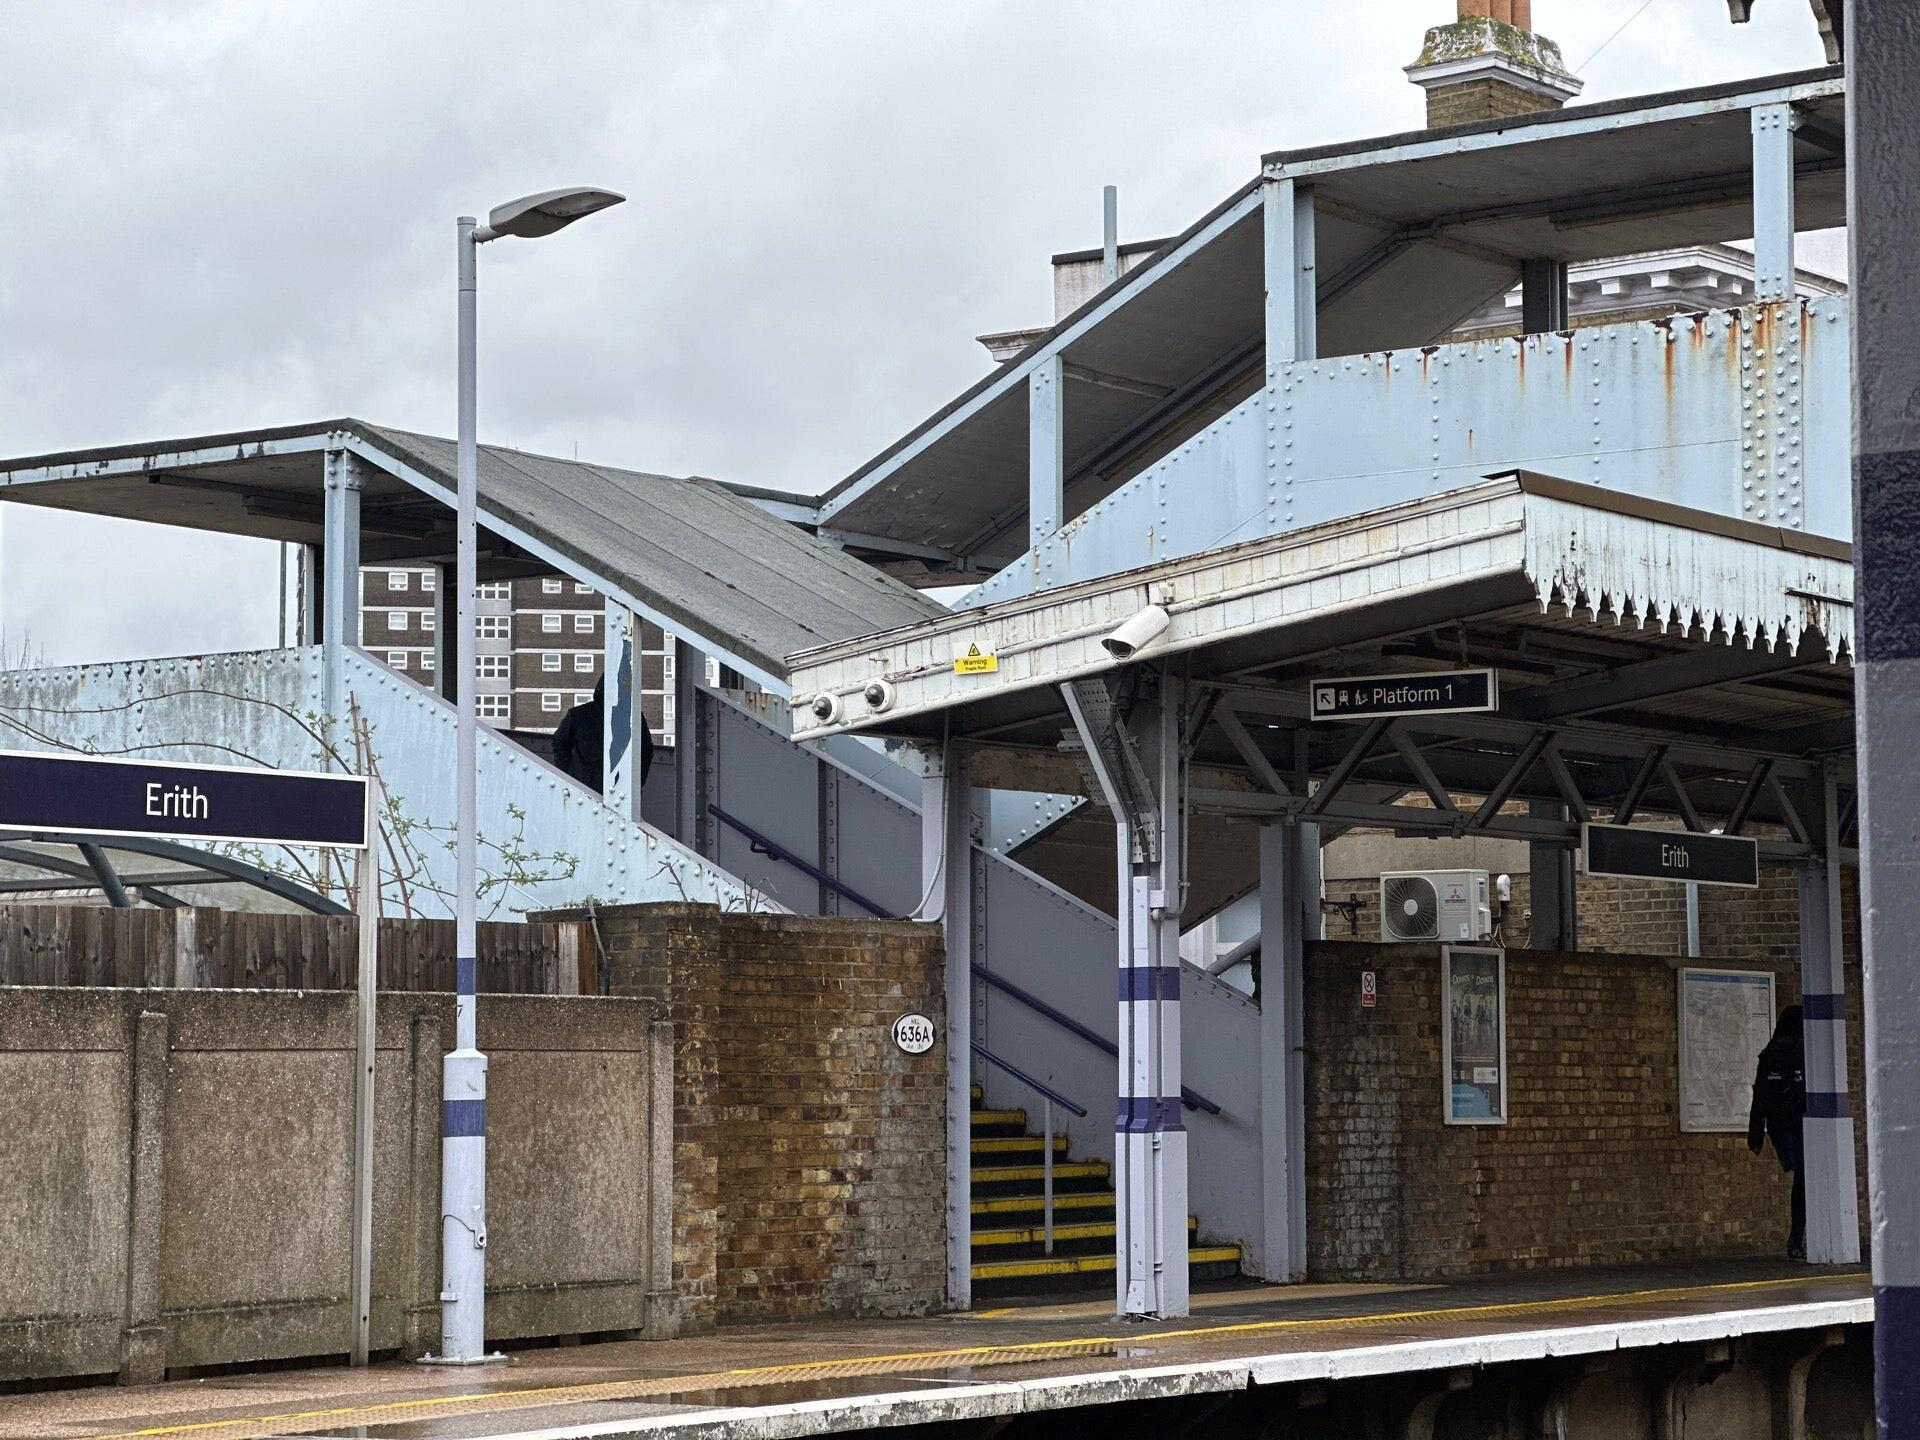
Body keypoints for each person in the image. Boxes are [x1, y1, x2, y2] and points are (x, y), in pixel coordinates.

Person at [1747, 1004, 1807, 1259]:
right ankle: (1797, 1239)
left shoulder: (1768, 1053)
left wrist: (1755, 1134)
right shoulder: (1802, 1049)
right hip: (1801, 1123)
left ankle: (1796, 1240)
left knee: (1802, 1176)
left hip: (1779, 1126)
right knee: (1805, 1180)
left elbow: (1759, 1094)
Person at [551, 677, 653, 794]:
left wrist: (569, 776)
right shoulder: (632, 718)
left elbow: (646, 751)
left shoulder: (578, 715)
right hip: (607, 790)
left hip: (590, 788)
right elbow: (646, 752)